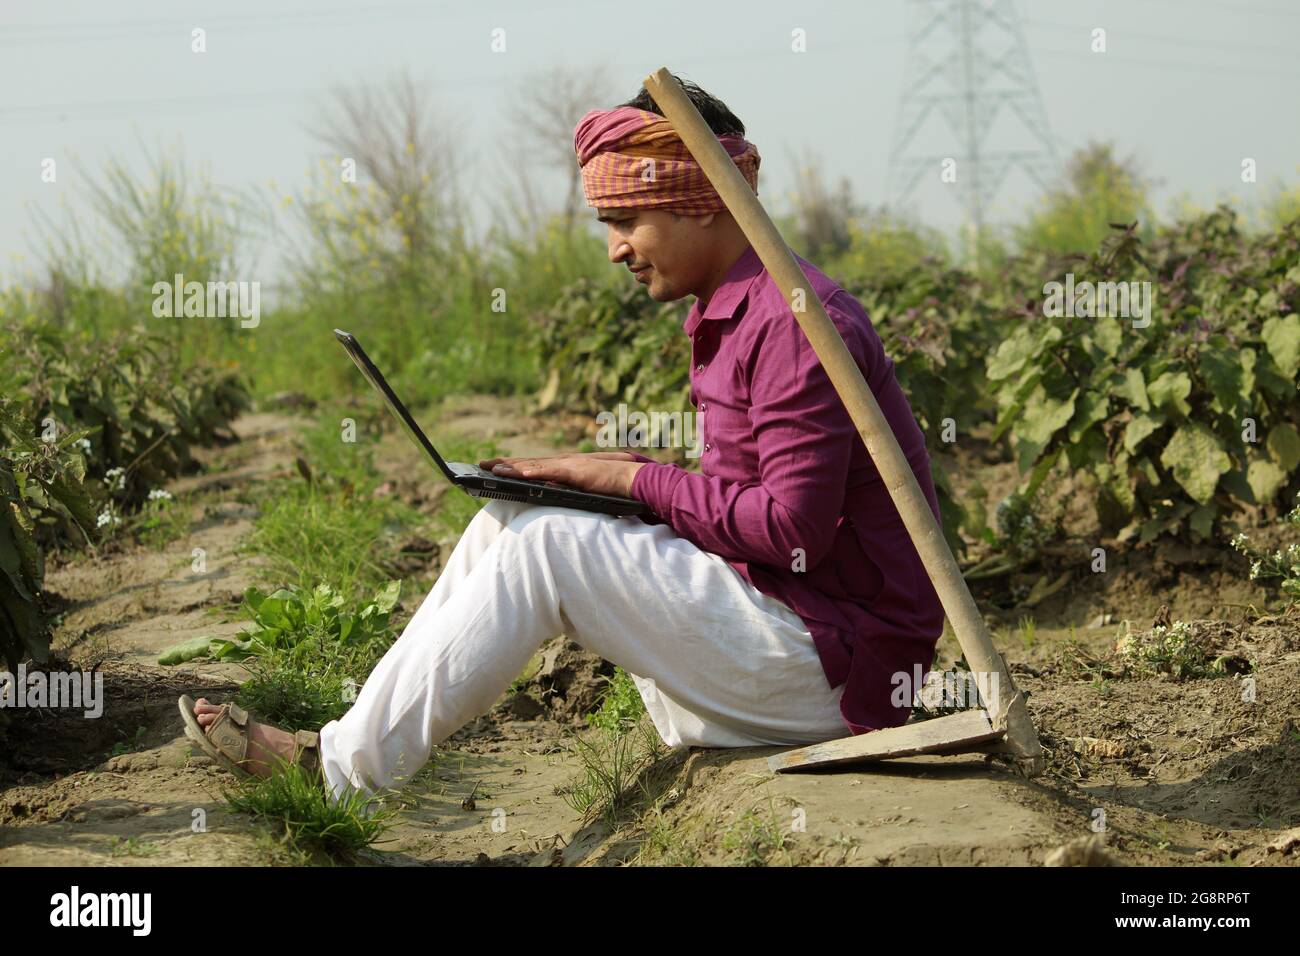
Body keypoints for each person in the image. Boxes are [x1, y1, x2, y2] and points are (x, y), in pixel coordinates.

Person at [180, 76, 944, 805]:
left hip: (838, 671)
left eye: (625, 220)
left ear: (701, 200)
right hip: (785, 634)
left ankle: (341, 777)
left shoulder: (794, 323)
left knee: (548, 546)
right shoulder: (741, 310)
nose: (615, 248)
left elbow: (791, 530)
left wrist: (629, 484)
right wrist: (619, 472)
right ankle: (345, 749)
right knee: (508, 521)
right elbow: (761, 503)